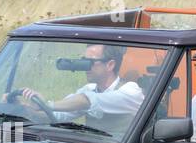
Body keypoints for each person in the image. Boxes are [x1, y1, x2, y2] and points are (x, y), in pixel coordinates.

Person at [15, 44, 144, 133]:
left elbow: (87, 101)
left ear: (110, 65)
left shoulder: (130, 91)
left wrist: (47, 104)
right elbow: (55, 116)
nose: (85, 67)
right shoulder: (89, 89)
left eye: (90, 62)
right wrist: (22, 108)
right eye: (83, 61)